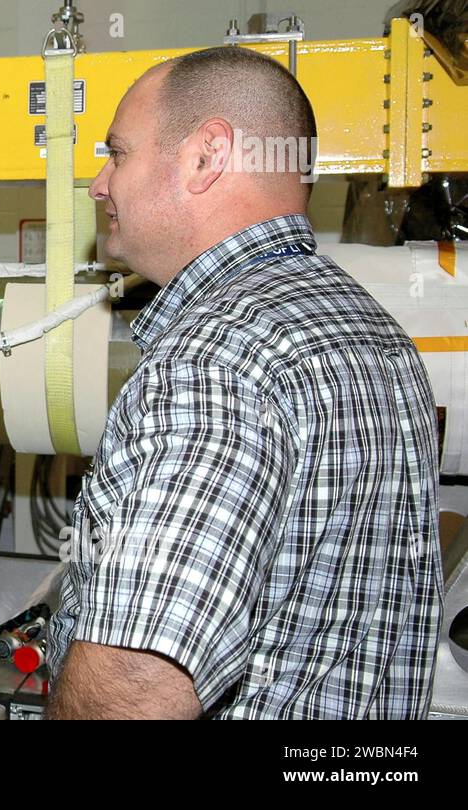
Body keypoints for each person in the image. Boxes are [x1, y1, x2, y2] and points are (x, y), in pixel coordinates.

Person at [44, 46, 443, 719]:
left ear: (207, 156)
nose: (99, 184)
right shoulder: (376, 334)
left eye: (119, 153)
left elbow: (140, 680)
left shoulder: (217, 358)